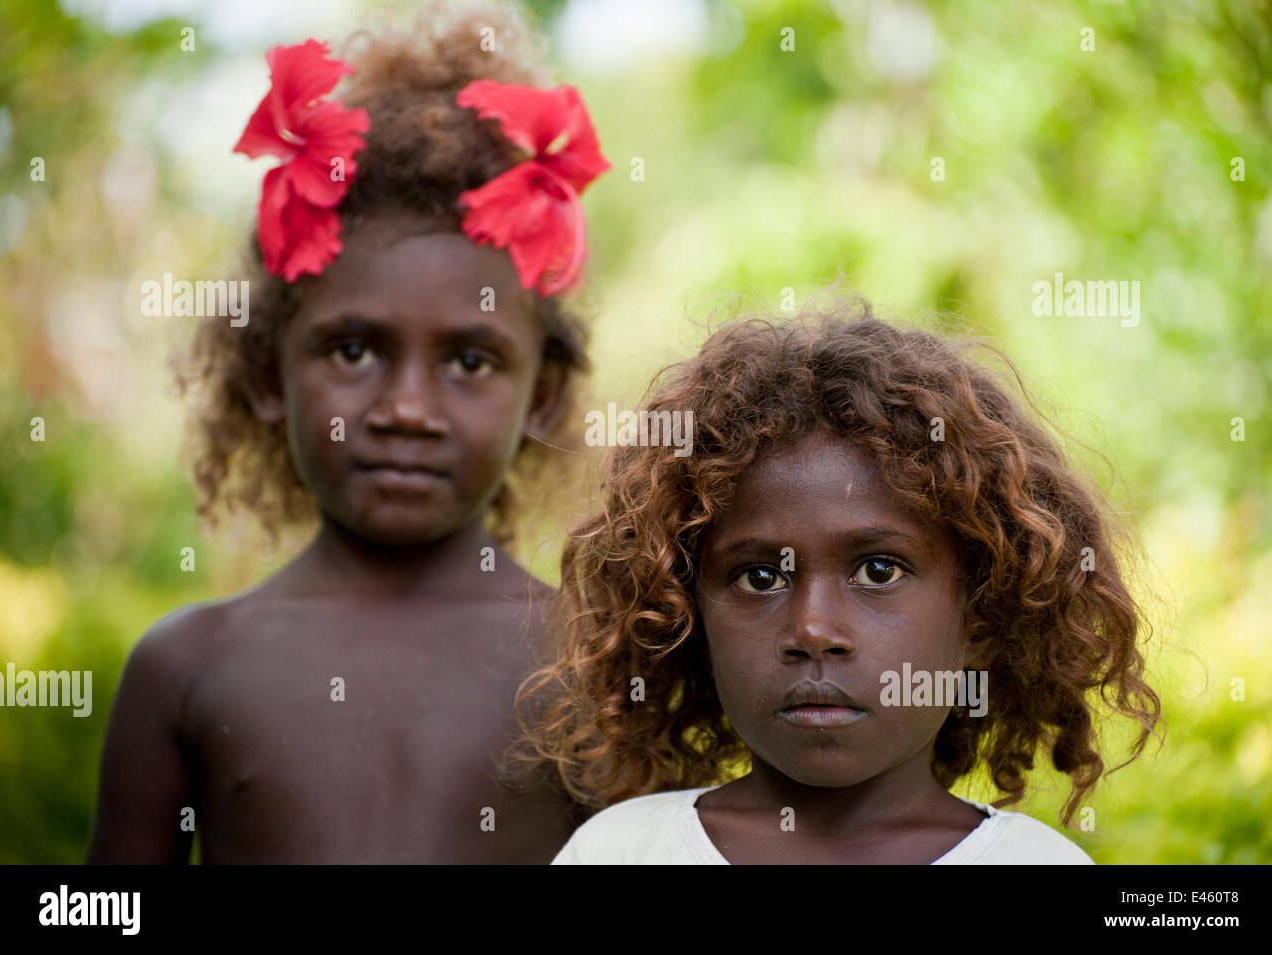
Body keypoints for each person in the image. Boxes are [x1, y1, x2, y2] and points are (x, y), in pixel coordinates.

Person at [87, 0, 609, 863]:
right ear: (265, 375)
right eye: (356, 348)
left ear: (543, 397)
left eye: (471, 361)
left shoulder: (588, 664)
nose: (407, 408)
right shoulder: (186, 669)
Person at [514, 300, 1162, 864]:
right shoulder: (621, 852)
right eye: (760, 575)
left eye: (879, 570)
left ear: (984, 620)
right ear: (684, 614)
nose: (813, 630)